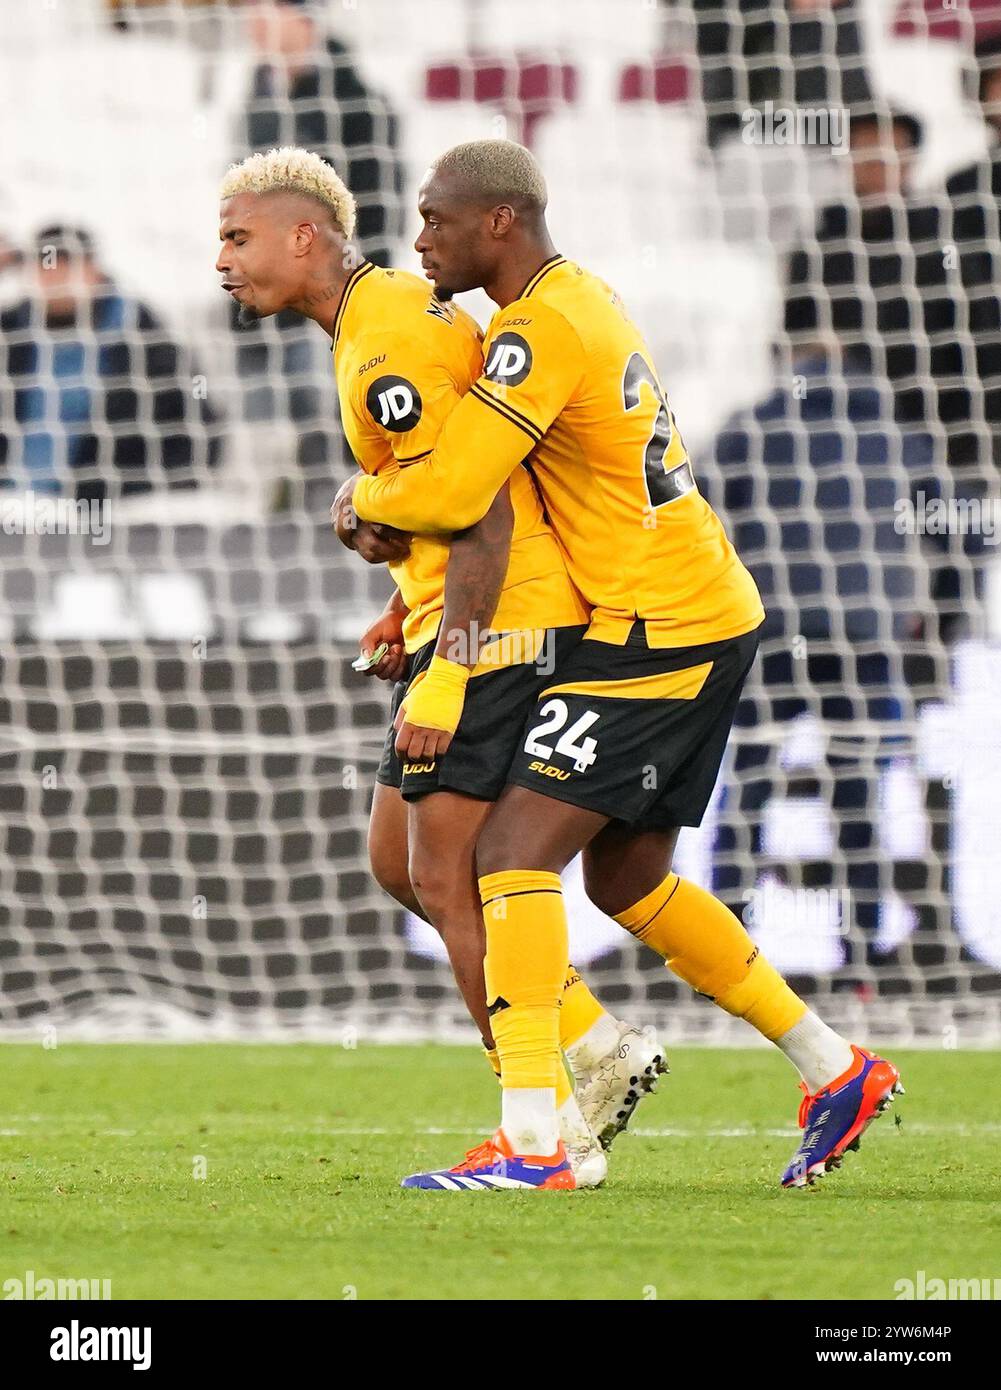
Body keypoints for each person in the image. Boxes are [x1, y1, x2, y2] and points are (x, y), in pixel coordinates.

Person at [340, 138, 902, 1192]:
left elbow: (460, 487)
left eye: (435, 219)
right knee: (624, 874)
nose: (420, 240)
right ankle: (835, 1068)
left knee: (505, 854)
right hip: (681, 606)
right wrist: (399, 600)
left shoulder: (537, 329)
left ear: (497, 222)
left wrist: (358, 502)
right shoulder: (570, 300)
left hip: (662, 623)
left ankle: (537, 1144)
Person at [215, 146, 667, 1189]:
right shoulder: (374, 326)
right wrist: (398, 605)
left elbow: (481, 508)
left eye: (239, 238)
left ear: (304, 235)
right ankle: (598, 1048)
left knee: (447, 874)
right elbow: (433, 498)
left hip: (499, 626)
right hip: (462, 616)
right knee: (398, 861)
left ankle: (547, 1128)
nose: (224, 262)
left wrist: (450, 669)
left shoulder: (387, 347)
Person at [229, 0, 405, 480]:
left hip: (340, 285)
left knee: (323, 372)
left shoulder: (359, 103)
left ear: (302, 18)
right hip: (271, 283)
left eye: (266, 10)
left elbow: (380, 210)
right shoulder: (257, 100)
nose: (252, 22)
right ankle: (285, 478)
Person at [0, 225, 219, 504]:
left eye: (68, 266)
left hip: (109, 513)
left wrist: (148, 497)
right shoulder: (10, 334)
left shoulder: (144, 339)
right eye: (46, 267)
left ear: (94, 270)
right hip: (12, 504)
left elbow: (198, 424)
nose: (55, 278)